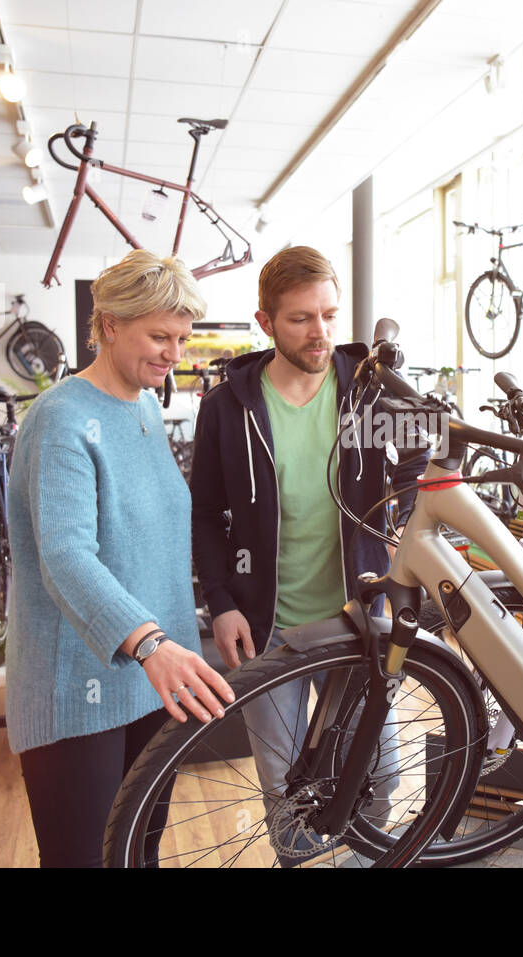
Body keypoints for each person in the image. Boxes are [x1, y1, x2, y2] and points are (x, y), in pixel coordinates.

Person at [188, 245, 425, 859]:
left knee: (380, 774)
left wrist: (405, 503)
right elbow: (207, 516)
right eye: (300, 318)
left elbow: (424, 458)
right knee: (288, 792)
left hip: (358, 621)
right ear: (265, 322)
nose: (319, 332)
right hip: (266, 631)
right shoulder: (227, 409)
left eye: (328, 314)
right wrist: (219, 603)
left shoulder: (368, 393)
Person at [6, 248, 234, 868]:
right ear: (109, 324)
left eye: (181, 338)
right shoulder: (61, 418)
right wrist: (151, 644)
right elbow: (66, 556)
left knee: (140, 853)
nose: (174, 354)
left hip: (149, 681)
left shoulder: (141, 407)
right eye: (159, 336)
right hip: (78, 689)